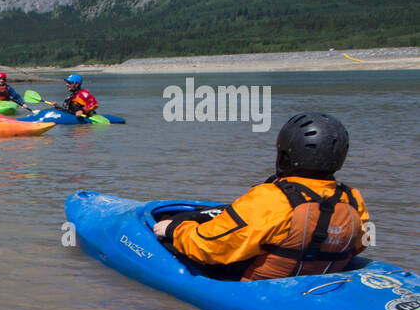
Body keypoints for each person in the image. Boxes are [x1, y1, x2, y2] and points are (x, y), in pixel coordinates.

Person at [153, 113, 370, 280]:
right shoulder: (353, 199)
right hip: (314, 281)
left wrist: (173, 229)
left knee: (170, 237)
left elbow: (210, 247)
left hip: (261, 289)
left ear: (285, 154)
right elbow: (363, 243)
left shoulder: (270, 199)